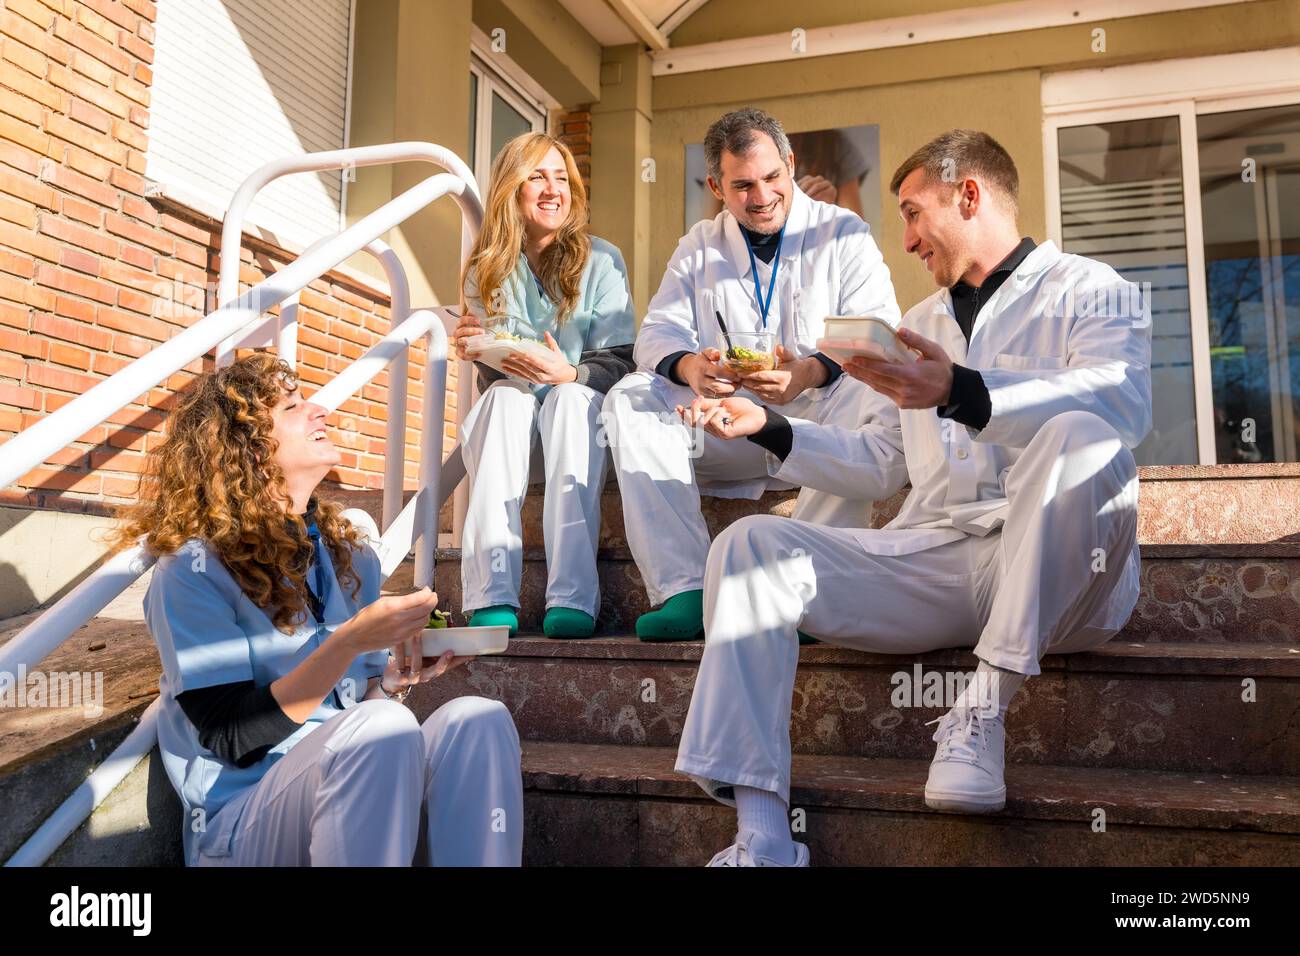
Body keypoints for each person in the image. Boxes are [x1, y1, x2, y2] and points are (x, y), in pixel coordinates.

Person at [674, 129, 1152, 865]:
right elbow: (879, 464)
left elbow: (1122, 403)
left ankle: (983, 710)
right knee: (750, 545)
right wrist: (769, 428)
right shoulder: (918, 328)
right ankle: (763, 836)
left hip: (1066, 575)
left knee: (1081, 432)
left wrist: (961, 389)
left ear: (969, 195)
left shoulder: (1094, 289)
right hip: (939, 562)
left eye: (912, 213)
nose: (903, 241)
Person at [114, 353, 524, 866]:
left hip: (347, 799)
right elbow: (230, 735)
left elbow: (359, 703)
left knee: (477, 719)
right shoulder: (192, 570)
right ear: (247, 447)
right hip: (246, 818)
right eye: (292, 407)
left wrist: (395, 679)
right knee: (377, 728)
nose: (319, 411)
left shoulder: (349, 557)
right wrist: (348, 642)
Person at [602, 107, 901, 642]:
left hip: (816, 426)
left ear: (789, 164)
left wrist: (807, 371)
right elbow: (656, 336)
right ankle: (684, 589)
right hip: (726, 429)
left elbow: (878, 328)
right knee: (628, 396)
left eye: (770, 178)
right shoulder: (698, 244)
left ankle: (817, 589)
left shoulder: (844, 232)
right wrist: (693, 367)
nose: (760, 197)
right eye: (742, 186)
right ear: (716, 185)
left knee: (867, 384)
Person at [451, 133, 635, 639]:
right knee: (503, 400)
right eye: (537, 176)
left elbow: (623, 359)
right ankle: (491, 596)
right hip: (518, 437)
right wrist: (473, 347)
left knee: (571, 401)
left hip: (581, 431)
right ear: (512, 189)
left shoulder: (603, 260)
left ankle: (572, 597)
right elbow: (501, 360)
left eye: (562, 178)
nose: (554, 190)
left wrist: (570, 374)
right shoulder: (486, 267)